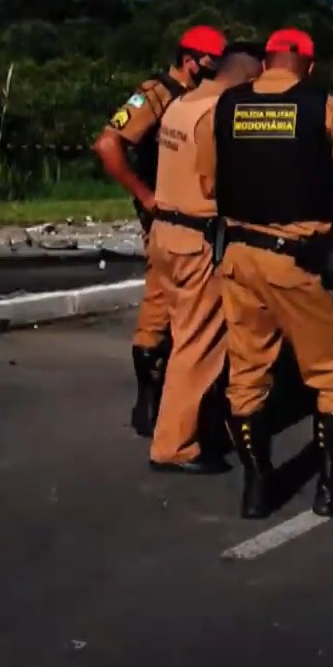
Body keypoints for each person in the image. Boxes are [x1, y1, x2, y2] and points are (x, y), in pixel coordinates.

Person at [196, 28, 333, 519]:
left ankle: (257, 487)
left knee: (246, 374)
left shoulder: (226, 105)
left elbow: (207, 182)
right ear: (308, 67)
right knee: (332, 374)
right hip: (298, 259)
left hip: (239, 258)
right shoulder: (322, 105)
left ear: (267, 60)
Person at [92, 25, 227, 440]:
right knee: (178, 316)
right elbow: (107, 143)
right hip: (168, 220)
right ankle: (162, 409)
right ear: (190, 59)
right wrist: (145, 195)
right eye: (211, 63)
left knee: (161, 311)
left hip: (184, 220)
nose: (216, 70)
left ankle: (160, 409)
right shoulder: (154, 94)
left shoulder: (196, 99)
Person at [147, 43, 264, 475]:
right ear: (250, 76)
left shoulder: (182, 101)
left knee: (182, 336)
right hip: (198, 236)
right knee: (198, 345)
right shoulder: (220, 113)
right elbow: (213, 185)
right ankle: (174, 445)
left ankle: (182, 423)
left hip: (165, 230)